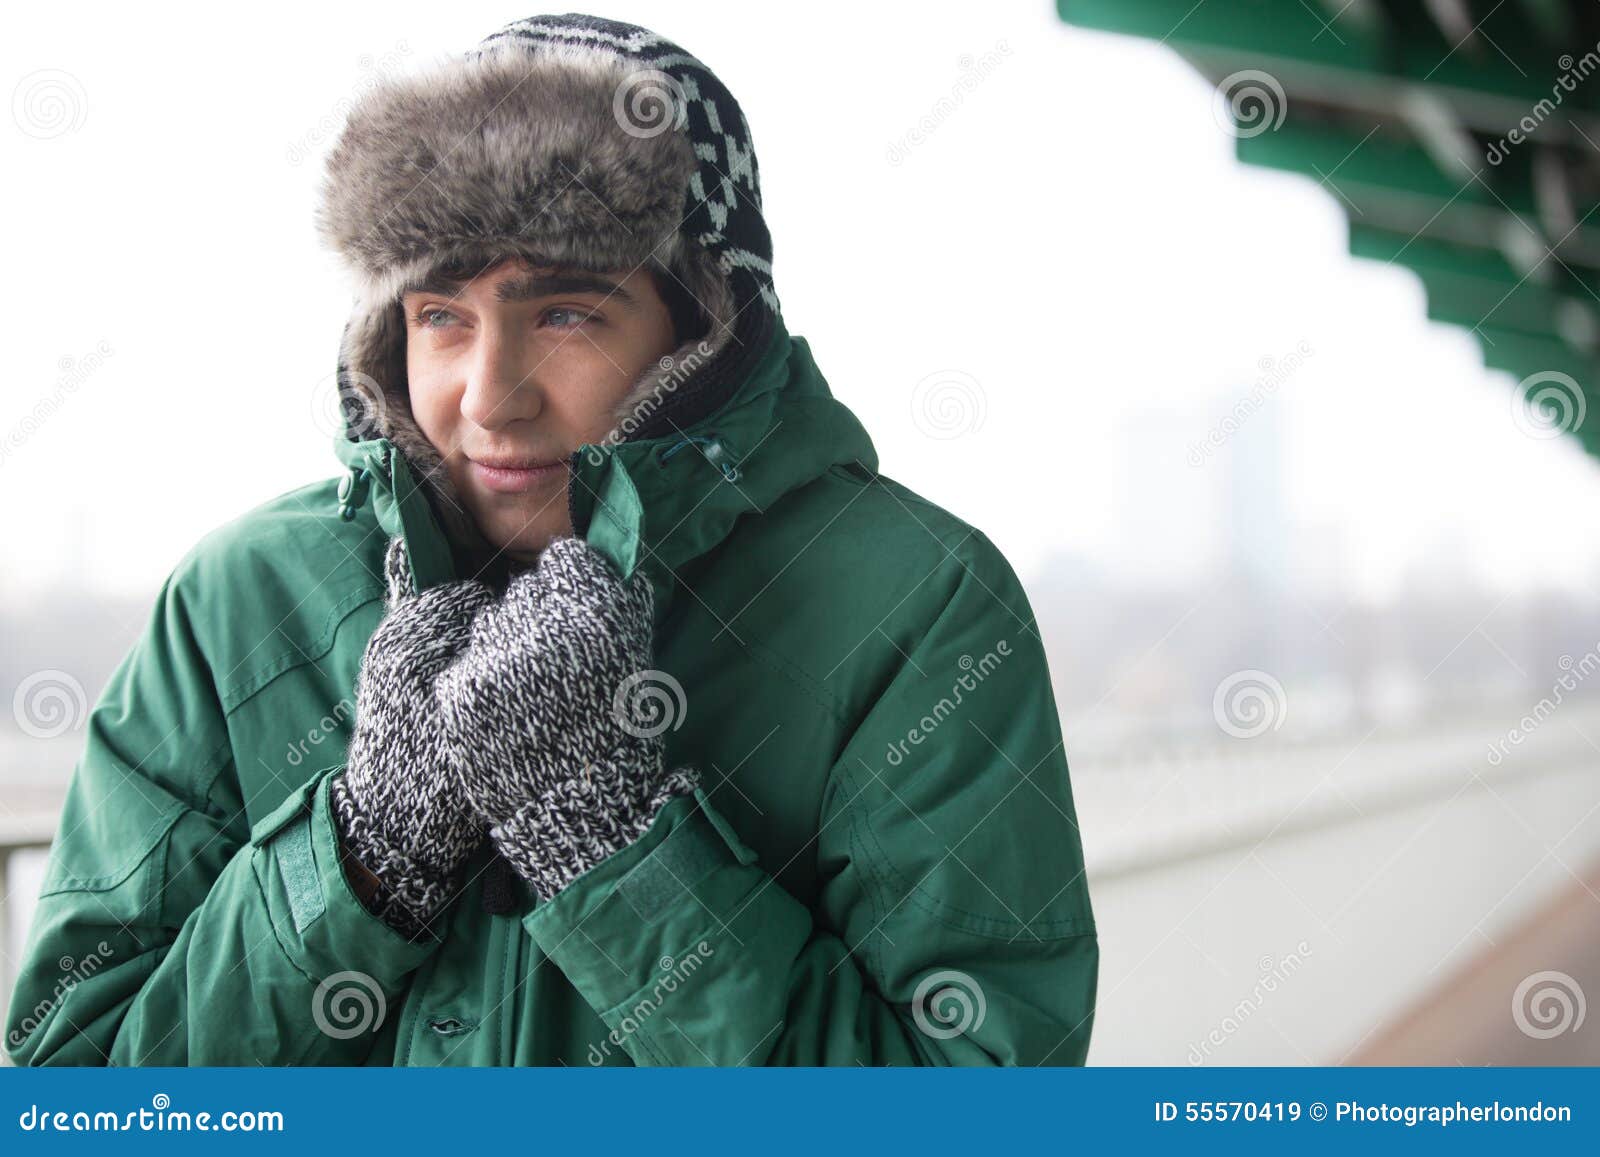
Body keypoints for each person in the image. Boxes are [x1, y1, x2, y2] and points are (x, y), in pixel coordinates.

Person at [4, 12, 1098, 1067]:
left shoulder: (916, 603)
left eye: (566, 314)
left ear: (706, 328)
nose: (490, 396)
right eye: (441, 314)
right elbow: (78, 1089)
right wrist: (361, 857)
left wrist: (612, 847)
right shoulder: (238, 598)